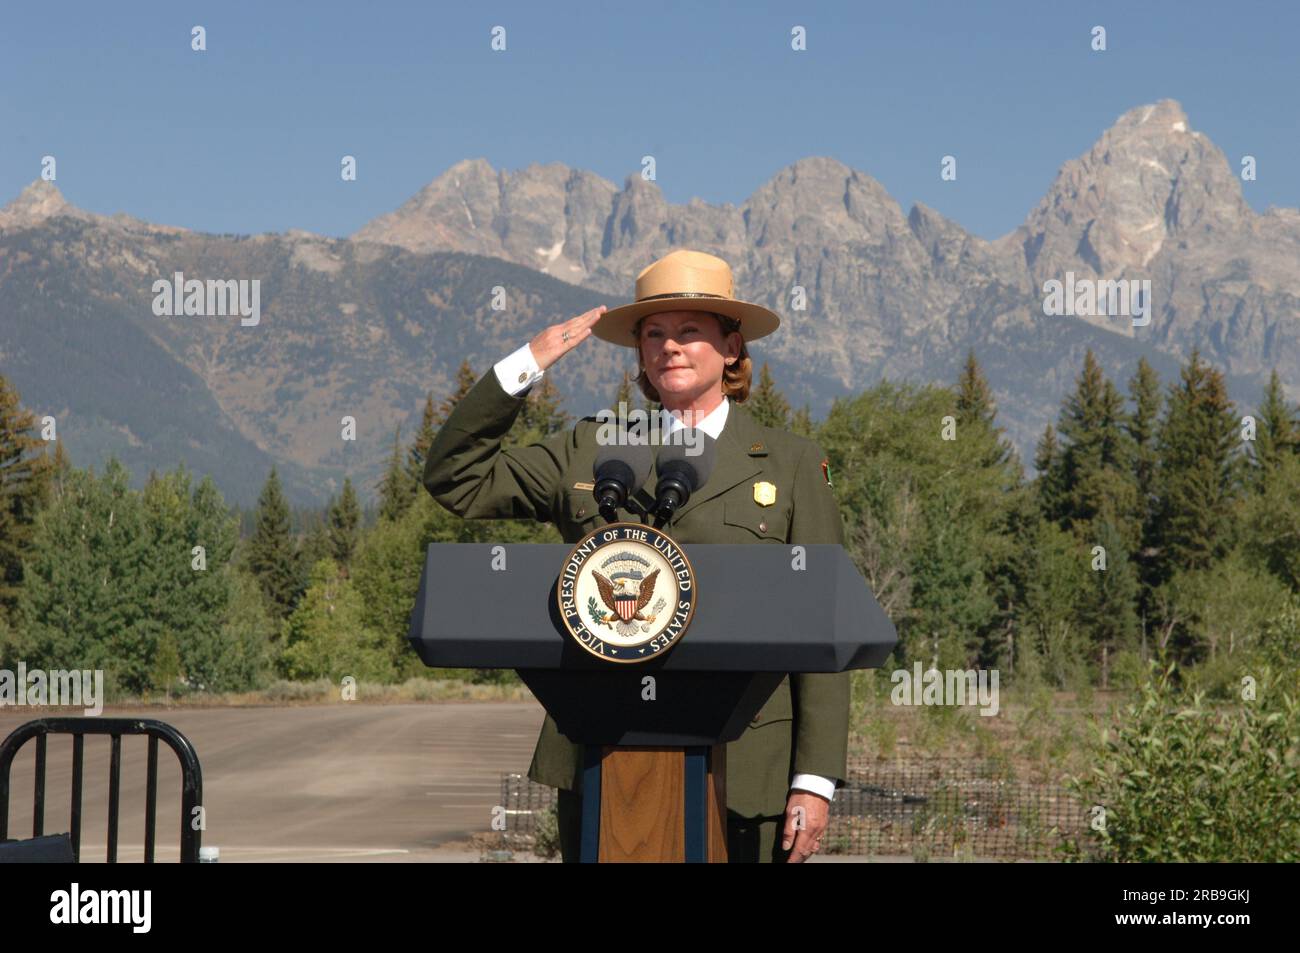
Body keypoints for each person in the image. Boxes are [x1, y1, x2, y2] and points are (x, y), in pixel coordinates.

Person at [422, 249, 850, 862]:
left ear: (731, 348)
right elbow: (455, 478)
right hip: (602, 755)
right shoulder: (594, 446)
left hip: (748, 768)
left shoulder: (790, 464)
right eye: (654, 334)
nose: (669, 347)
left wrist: (814, 778)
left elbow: (822, 625)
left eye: (689, 331)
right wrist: (528, 364)